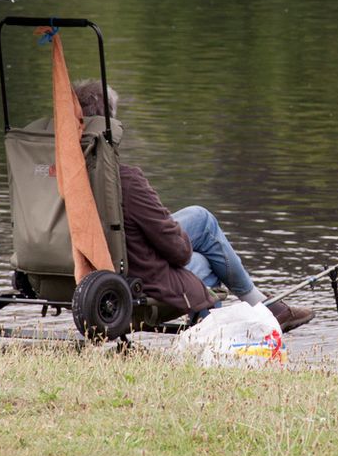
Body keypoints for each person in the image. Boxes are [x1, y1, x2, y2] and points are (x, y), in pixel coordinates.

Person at [73, 79, 315, 332]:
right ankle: (243, 317)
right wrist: (180, 244)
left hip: (76, 272)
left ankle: (255, 308)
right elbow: (178, 252)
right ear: (110, 127)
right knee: (205, 252)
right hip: (130, 277)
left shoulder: (61, 179)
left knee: (200, 220)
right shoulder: (123, 181)